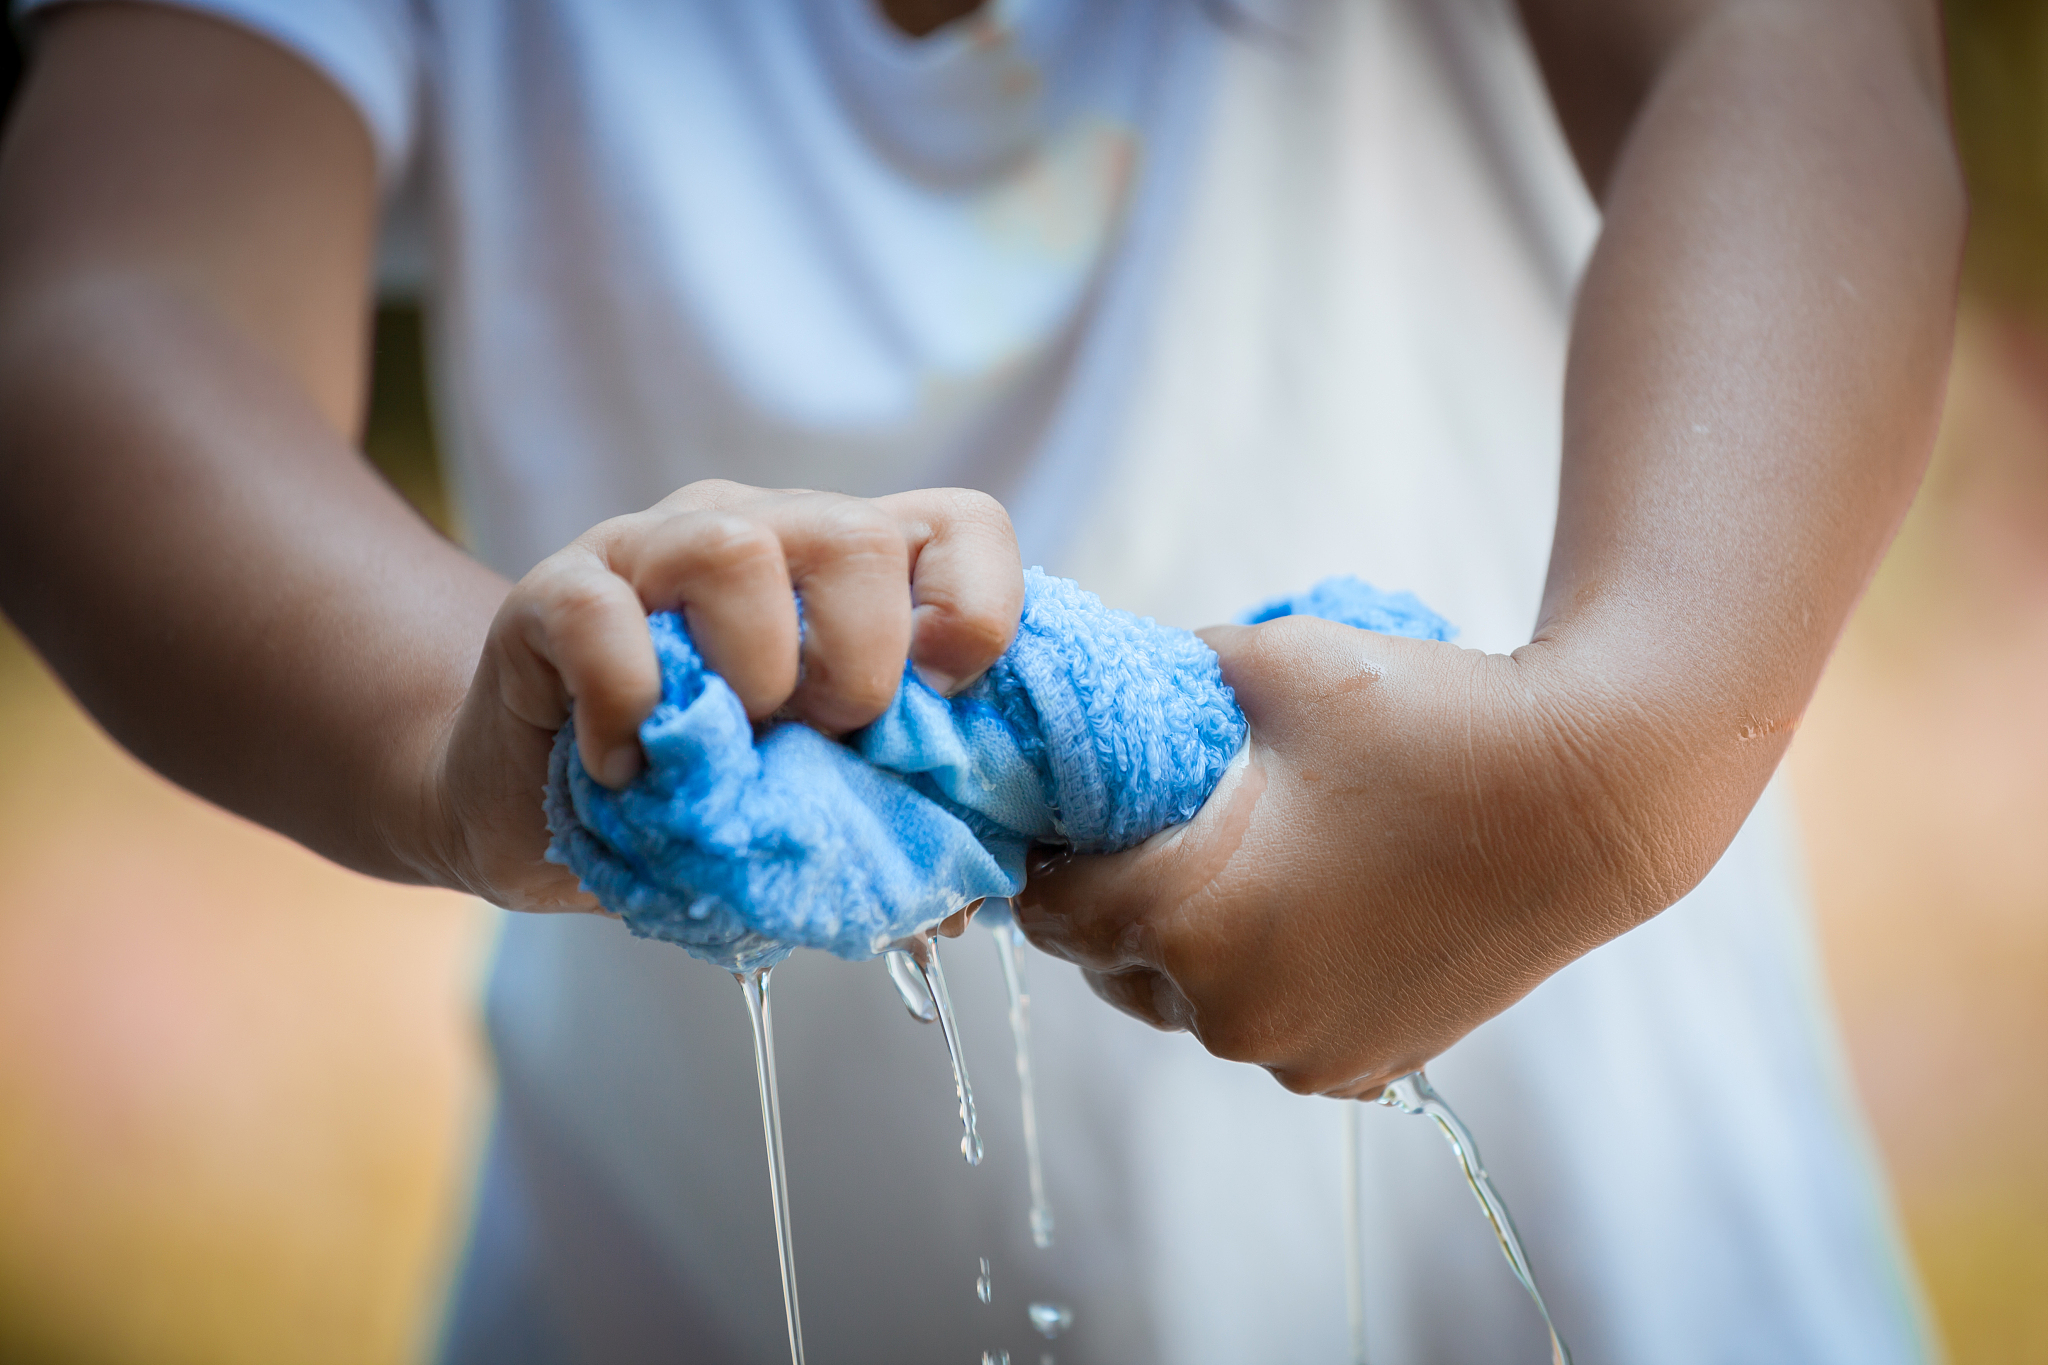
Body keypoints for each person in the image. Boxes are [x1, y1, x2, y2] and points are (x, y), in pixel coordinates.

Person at [0, 0, 1958, 1360]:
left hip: (1590, 1279)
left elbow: (1788, 52)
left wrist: (1605, 769)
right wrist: (457, 735)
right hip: (680, 1290)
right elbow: (111, 311)